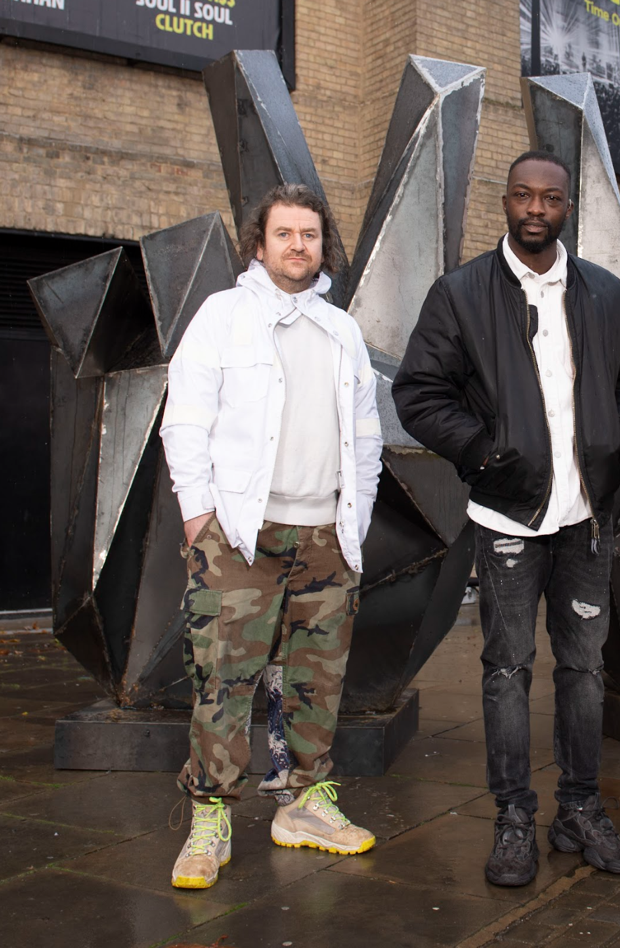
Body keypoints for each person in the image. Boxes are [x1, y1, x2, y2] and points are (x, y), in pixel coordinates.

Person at [392, 151, 620, 887]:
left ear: (568, 207)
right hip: (507, 515)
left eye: (551, 197)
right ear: (504, 202)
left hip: (586, 519)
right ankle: (513, 817)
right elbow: (418, 391)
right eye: (522, 196)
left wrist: (611, 436)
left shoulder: (603, 293)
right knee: (507, 670)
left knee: (583, 670)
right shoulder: (461, 293)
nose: (536, 208)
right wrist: (483, 452)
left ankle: (579, 808)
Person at [160, 183, 383, 890]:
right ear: (259, 243)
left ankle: (308, 808)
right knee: (223, 681)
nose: (298, 246)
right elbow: (185, 421)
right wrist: (200, 518)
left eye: (310, 235)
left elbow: (368, 435)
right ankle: (209, 819)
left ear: (324, 245)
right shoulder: (223, 317)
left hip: (326, 537)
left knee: (319, 683)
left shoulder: (341, 330)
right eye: (284, 233)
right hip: (241, 538)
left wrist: (357, 523)